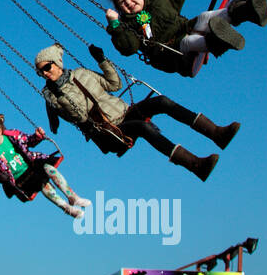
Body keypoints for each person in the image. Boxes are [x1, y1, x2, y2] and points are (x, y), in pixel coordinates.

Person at [34, 43, 238, 181]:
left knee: (162, 102)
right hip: (107, 131)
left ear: (57, 63)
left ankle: (217, 133)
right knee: (142, 128)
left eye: (47, 67)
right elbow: (78, 116)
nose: (45, 73)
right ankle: (195, 164)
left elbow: (114, 84)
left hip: (124, 112)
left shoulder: (81, 73)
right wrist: (58, 94)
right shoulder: (53, 96)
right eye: (40, 71)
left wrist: (102, 61)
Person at [105, 0, 267, 75]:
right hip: (171, 52)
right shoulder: (129, 27)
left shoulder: (160, 0)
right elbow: (129, 48)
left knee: (205, 17)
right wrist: (115, 25)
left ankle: (246, 10)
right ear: (120, 9)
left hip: (185, 26)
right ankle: (220, 40)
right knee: (189, 42)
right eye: (122, 3)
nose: (128, 2)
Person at [0, 114, 89, 218]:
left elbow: (28, 140)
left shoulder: (12, 135)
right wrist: (1, 177)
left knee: (49, 168)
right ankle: (67, 208)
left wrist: (37, 136)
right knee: (43, 185)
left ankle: (72, 197)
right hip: (20, 179)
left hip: (31, 164)